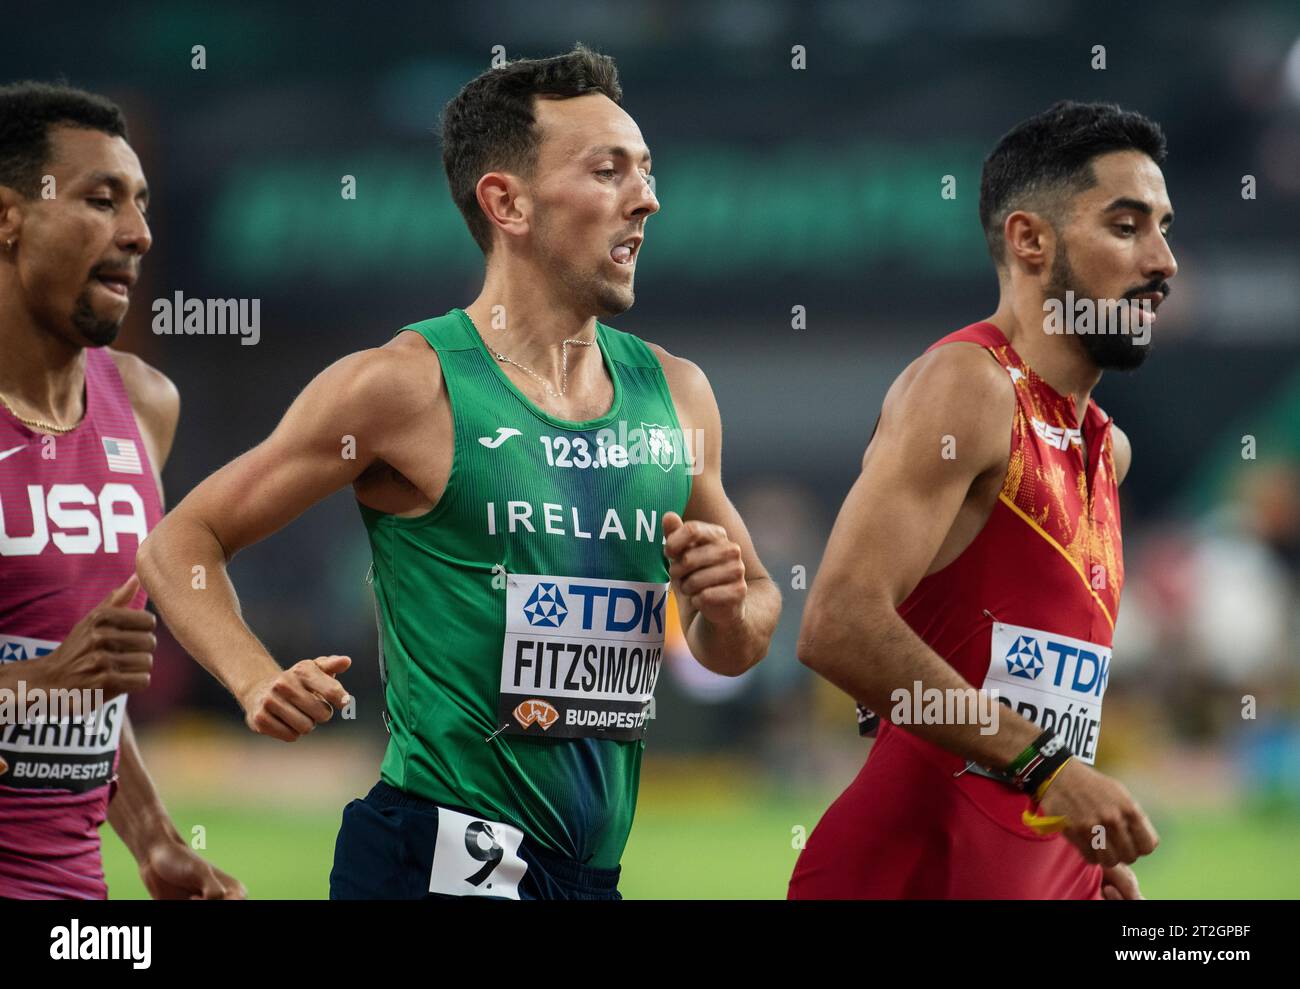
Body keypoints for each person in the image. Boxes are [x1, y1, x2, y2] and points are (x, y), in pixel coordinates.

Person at [136, 46, 781, 901]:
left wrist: (729, 602)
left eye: (647, 171)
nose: (646, 198)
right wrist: (255, 675)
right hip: (432, 861)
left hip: (590, 878)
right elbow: (183, 538)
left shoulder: (678, 394)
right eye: (608, 171)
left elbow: (738, 635)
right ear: (505, 201)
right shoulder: (403, 385)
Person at [790, 101, 1173, 899]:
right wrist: (1048, 765)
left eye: (1165, 227)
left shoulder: (1112, 450)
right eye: (1128, 226)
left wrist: (1073, 857)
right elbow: (837, 624)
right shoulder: (967, 385)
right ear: (1030, 239)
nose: (1164, 260)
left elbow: (1020, 677)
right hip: (904, 875)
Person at [0, 81, 244, 899]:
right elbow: (56, 676)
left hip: (74, 894)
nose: (138, 234)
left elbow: (85, 687)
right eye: (100, 200)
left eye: (139, 204)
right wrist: (38, 684)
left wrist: (154, 840)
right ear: (8, 217)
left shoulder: (144, 406)